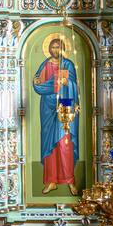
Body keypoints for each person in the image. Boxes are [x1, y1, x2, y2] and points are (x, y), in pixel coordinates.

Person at [32, 35, 79, 194]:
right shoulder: (44, 64)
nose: (55, 50)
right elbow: (38, 83)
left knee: (64, 144)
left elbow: (73, 85)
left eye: (58, 47)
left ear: (63, 48)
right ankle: (51, 181)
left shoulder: (68, 64)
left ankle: (70, 180)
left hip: (64, 108)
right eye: (53, 47)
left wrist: (67, 83)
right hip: (47, 108)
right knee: (50, 148)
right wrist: (37, 82)